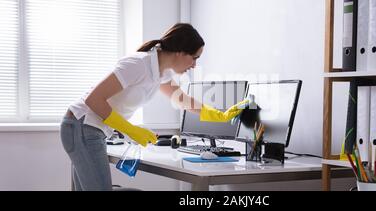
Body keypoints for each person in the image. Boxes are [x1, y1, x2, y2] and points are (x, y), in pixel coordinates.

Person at [60, 23, 249, 191]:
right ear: (180, 51)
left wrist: (219, 115)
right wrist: (130, 130)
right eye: (194, 57)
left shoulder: (161, 73)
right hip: (81, 126)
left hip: (88, 129)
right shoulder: (138, 64)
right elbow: (94, 100)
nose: (194, 65)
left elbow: (183, 100)